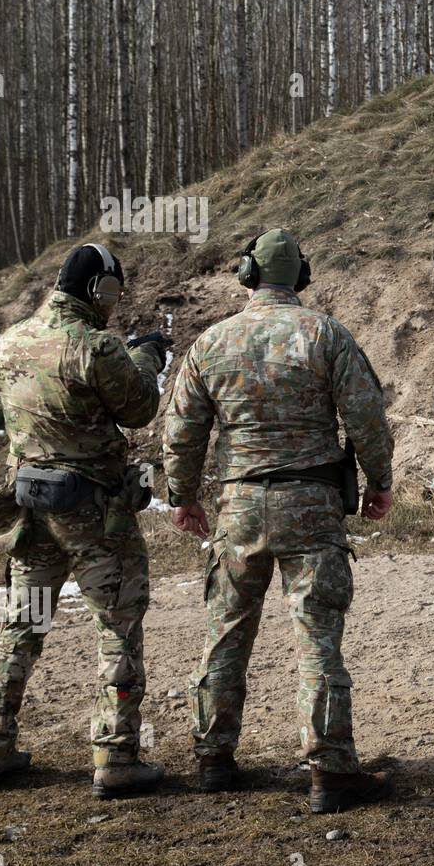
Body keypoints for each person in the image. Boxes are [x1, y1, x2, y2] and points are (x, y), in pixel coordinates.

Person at [163, 228, 395, 814]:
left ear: (246, 275)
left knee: (227, 632)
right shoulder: (324, 333)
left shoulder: (211, 342)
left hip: (238, 507)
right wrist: (379, 482)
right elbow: (366, 414)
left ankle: (214, 758)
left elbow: (183, 430)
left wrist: (182, 495)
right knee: (317, 636)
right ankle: (329, 771)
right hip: (312, 504)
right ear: (300, 276)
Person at [0, 243, 168, 799]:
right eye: (113, 295)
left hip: (30, 510)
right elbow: (137, 409)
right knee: (118, 628)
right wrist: (147, 358)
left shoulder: (12, 339)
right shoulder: (97, 344)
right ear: (98, 292)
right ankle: (115, 755)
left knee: (22, 626)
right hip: (94, 515)